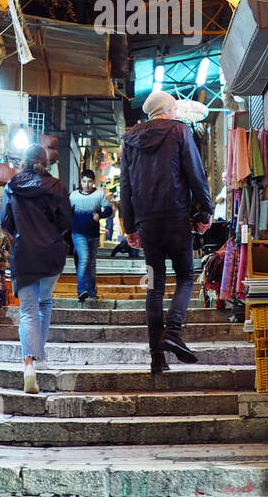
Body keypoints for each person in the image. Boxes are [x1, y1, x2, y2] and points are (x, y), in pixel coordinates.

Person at [119, 92, 213, 375]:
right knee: (185, 276)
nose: (176, 113)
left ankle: (157, 358)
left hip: (147, 225)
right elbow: (196, 174)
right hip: (176, 218)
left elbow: (125, 184)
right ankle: (172, 331)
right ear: (168, 110)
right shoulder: (179, 131)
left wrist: (129, 225)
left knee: (154, 285)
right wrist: (206, 211)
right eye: (174, 109)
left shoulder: (130, 139)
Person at [0, 145, 72, 394]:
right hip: (51, 253)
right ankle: (39, 355)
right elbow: (66, 222)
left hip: (25, 253)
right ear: (46, 162)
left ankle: (29, 365)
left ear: (24, 161)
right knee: (45, 302)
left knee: (28, 311)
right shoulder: (58, 187)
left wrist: (22, 233)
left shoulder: (12, 186)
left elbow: (4, 222)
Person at [68, 170, 113, 302]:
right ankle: (81, 290)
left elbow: (109, 209)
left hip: (93, 234)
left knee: (91, 263)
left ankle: (92, 291)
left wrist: (100, 215)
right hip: (78, 234)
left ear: (93, 182)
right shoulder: (73, 196)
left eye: (89, 182)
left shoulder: (99, 194)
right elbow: (66, 212)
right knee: (84, 259)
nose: (86, 184)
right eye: (84, 181)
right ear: (80, 182)